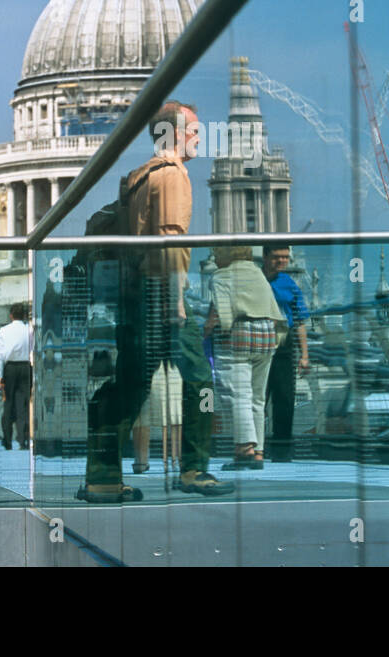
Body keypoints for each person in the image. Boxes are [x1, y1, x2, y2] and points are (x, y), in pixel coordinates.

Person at [78, 101, 233, 501]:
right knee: (199, 378)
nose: (200, 137)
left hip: (135, 294)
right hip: (161, 292)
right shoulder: (171, 176)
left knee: (131, 385)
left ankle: (102, 475)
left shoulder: (138, 178)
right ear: (172, 133)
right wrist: (176, 299)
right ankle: (194, 469)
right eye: (195, 129)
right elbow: (170, 241)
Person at [205, 246, 286, 469]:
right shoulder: (256, 272)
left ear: (226, 254)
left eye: (216, 253)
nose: (214, 256)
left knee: (237, 394)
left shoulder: (222, 275)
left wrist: (206, 330)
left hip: (238, 336)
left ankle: (244, 450)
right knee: (257, 398)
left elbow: (220, 310)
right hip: (267, 335)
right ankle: (259, 451)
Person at [261, 245, 310, 463]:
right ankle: (256, 449)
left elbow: (299, 321)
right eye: (277, 257)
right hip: (257, 341)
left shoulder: (289, 284)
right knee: (257, 398)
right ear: (265, 257)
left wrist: (304, 355)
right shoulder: (254, 280)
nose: (282, 261)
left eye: (285, 257)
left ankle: (281, 450)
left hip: (283, 342)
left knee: (284, 397)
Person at [0, 303, 32, 450]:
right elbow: (32, 349)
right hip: (25, 366)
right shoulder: (29, 329)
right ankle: (23, 440)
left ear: (11, 315)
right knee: (23, 405)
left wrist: (0, 375)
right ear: (23, 315)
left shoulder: (4, 330)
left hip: (10, 367)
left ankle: (7, 439)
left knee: (8, 404)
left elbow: (0, 355)